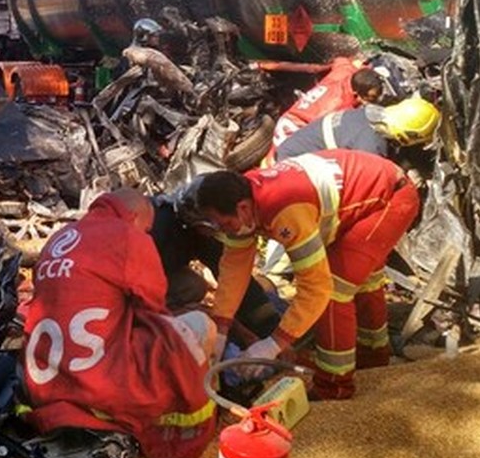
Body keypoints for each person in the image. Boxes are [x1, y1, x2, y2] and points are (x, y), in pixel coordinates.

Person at [179, 149, 421, 400]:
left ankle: (334, 387)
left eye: (225, 225)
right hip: (371, 193)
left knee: (335, 289)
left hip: (389, 199)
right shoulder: (243, 203)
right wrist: (220, 328)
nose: (224, 231)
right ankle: (374, 359)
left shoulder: (284, 210)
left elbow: (316, 287)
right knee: (362, 282)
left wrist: (272, 344)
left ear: (242, 208)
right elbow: (233, 270)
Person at [21, 187, 217, 458]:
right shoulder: (128, 237)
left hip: (45, 383)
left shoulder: (61, 237)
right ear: (135, 217)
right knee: (198, 326)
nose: (147, 234)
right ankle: (188, 422)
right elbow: (152, 308)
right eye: (147, 228)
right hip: (102, 383)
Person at [150, 193, 283, 345]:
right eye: (221, 226)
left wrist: (268, 325)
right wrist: (225, 329)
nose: (223, 231)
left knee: (194, 286)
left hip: (162, 270)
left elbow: (231, 276)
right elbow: (140, 296)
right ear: (200, 224)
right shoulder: (156, 236)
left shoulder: (198, 226)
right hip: (135, 287)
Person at [268, 57, 386, 156]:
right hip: (293, 130)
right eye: (372, 98)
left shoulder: (345, 71)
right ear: (357, 95)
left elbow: (340, 60)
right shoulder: (341, 108)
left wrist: (358, 64)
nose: (375, 101)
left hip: (292, 116)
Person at [272, 95, 442, 162]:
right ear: (408, 135)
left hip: (294, 147)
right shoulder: (371, 147)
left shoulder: (368, 115)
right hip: (294, 165)